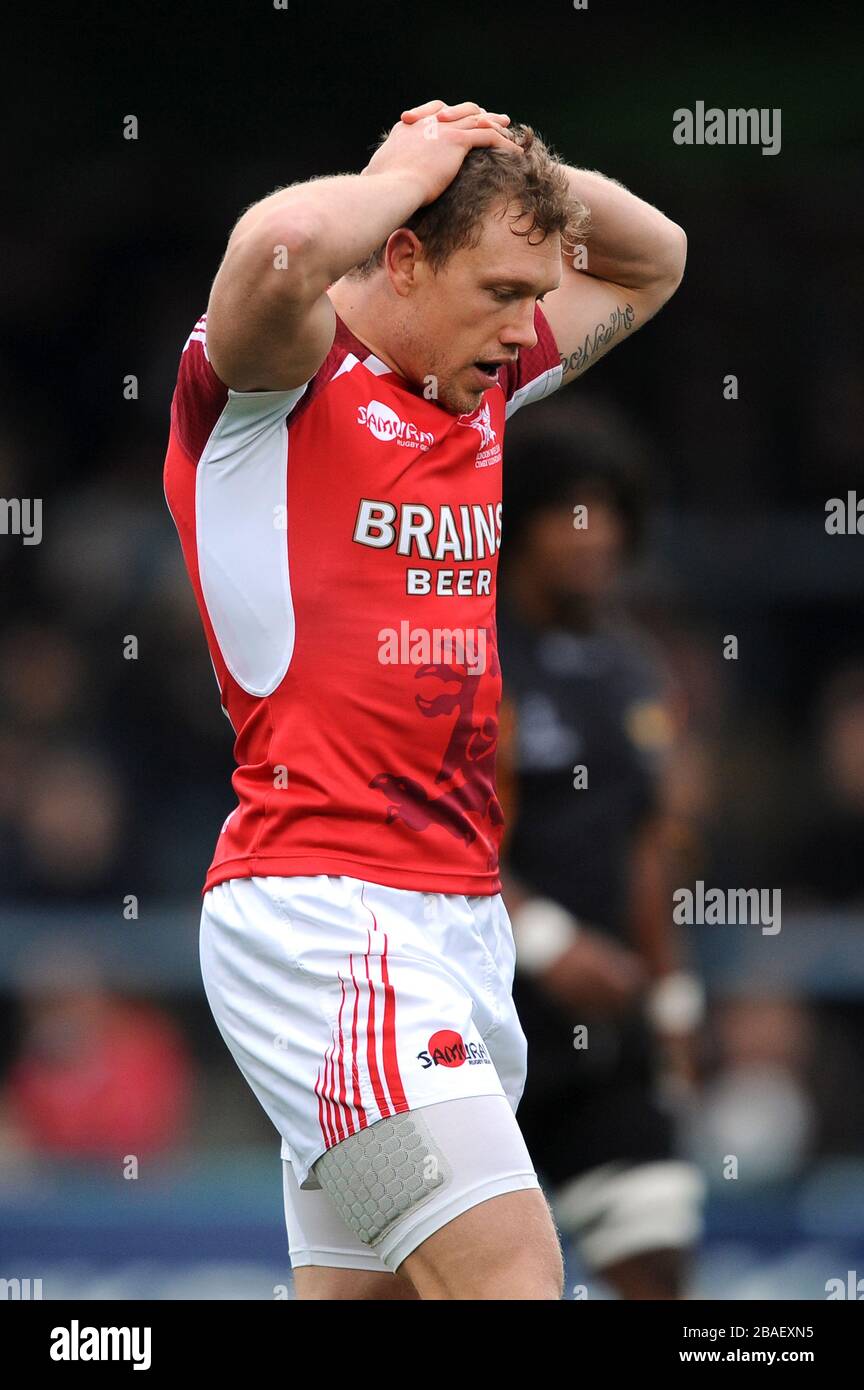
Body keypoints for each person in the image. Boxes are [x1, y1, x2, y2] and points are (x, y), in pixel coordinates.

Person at [163, 97, 686, 1300]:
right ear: (401, 253)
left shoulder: (477, 383)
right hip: (329, 933)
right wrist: (409, 169)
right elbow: (278, 246)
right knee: (512, 1276)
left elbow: (655, 257)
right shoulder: (276, 383)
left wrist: (513, 171)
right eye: (500, 291)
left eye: (534, 293)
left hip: (455, 931)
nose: (524, 324)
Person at [496, 413, 705, 1298]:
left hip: (607, 1033)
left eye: (612, 513)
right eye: (572, 512)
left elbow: (651, 848)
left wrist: (674, 1002)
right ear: (518, 520)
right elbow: (430, 837)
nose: (599, 536)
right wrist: (546, 942)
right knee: (474, 1279)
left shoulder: (635, 670)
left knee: (656, 1267)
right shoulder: (465, 655)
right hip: (473, 1024)